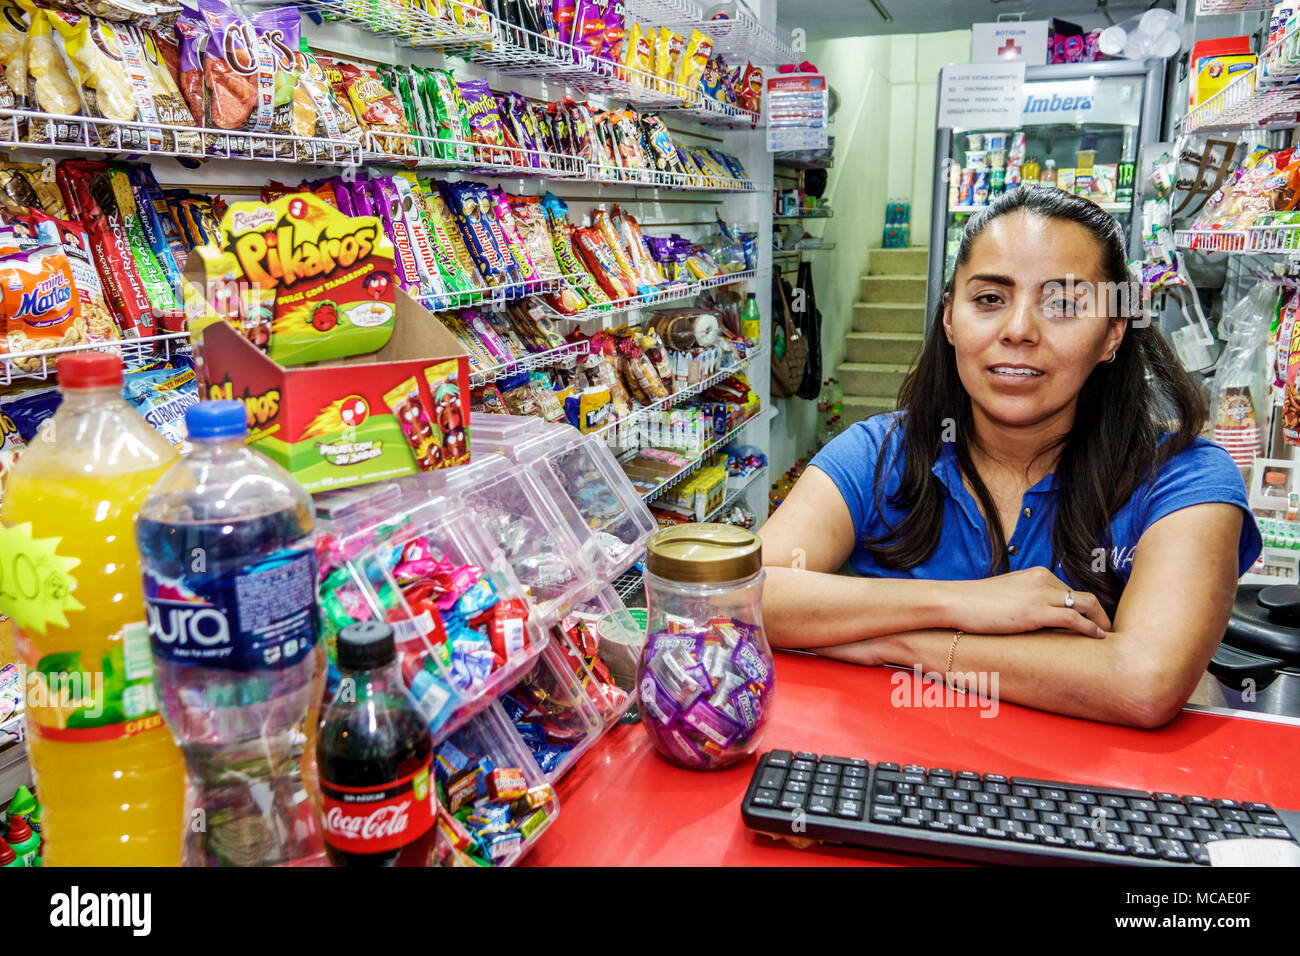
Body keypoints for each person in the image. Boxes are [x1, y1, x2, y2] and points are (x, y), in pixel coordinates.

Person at [759, 186, 1261, 729]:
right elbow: (746, 594)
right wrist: (965, 604)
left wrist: (898, 639)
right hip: (881, 789)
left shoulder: (1184, 478)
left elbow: (1143, 681)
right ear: (950, 318)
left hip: (1083, 805)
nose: (1019, 330)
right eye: (990, 299)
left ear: (1113, 334)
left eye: (1064, 305)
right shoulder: (877, 454)